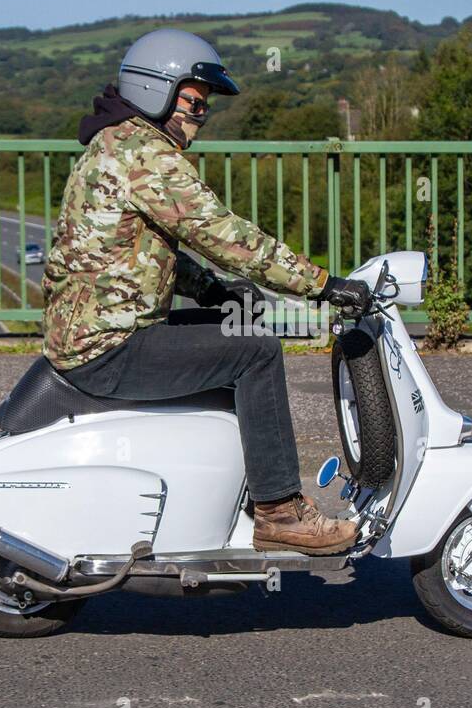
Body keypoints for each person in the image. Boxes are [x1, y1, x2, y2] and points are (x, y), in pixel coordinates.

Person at [42, 28, 372, 555]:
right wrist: (323, 285)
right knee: (257, 353)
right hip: (107, 344)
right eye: (195, 103)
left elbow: (143, 253)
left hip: (96, 329)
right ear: (159, 90)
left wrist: (216, 294)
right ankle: (280, 513)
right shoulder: (146, 155)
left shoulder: (118, 142)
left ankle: (235, 489)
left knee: (235, 330)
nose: (201, 117)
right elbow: (220, 233)